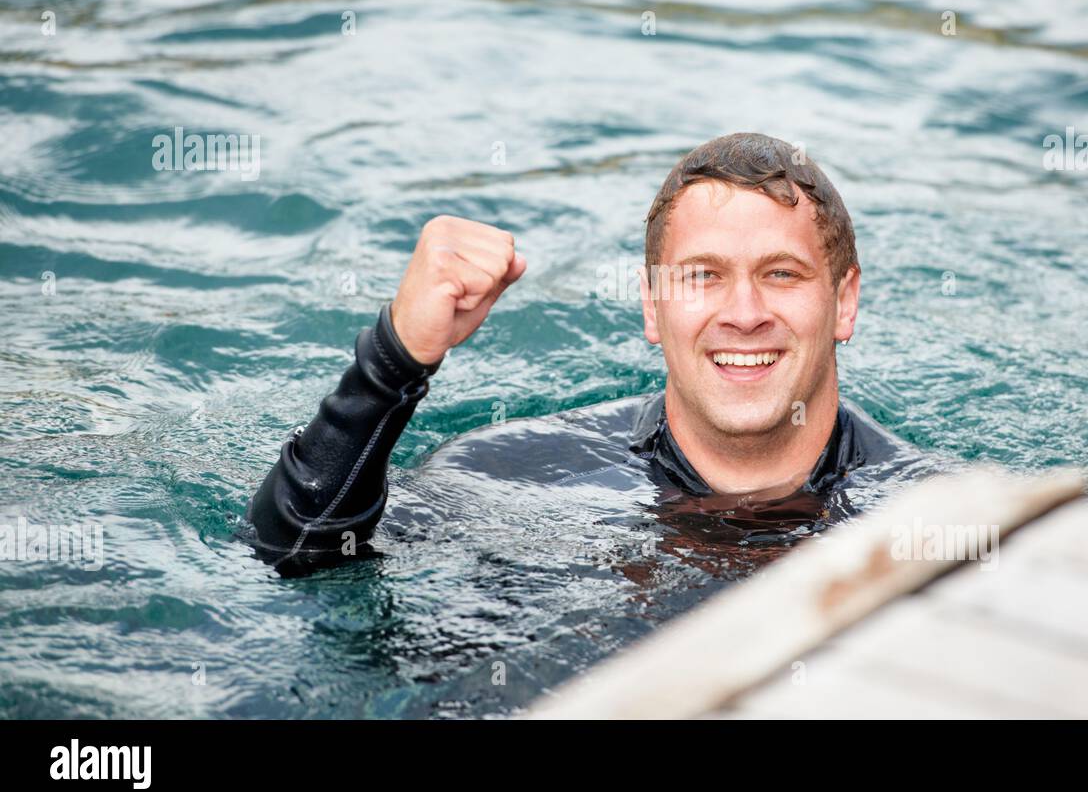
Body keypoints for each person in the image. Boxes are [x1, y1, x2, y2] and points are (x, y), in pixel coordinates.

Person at [245, 132, 930, 575]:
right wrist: (395, 358)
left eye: (781, 274)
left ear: (843, 302)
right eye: (702, 276)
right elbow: (294, 556)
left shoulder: (931, 515)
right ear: (651, 306)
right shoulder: (517, 478)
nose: (744, 315)